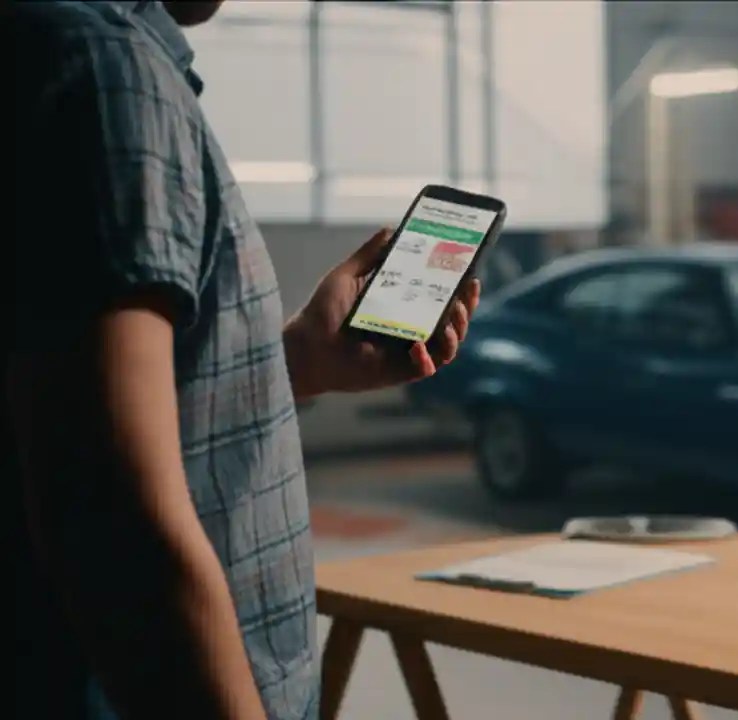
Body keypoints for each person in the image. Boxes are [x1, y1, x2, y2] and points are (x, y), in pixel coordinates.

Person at [6, 2, 480, 718]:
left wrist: (299, 362)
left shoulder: (67, 51)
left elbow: (71, 410)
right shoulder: (106, 71)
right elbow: (112, 516)